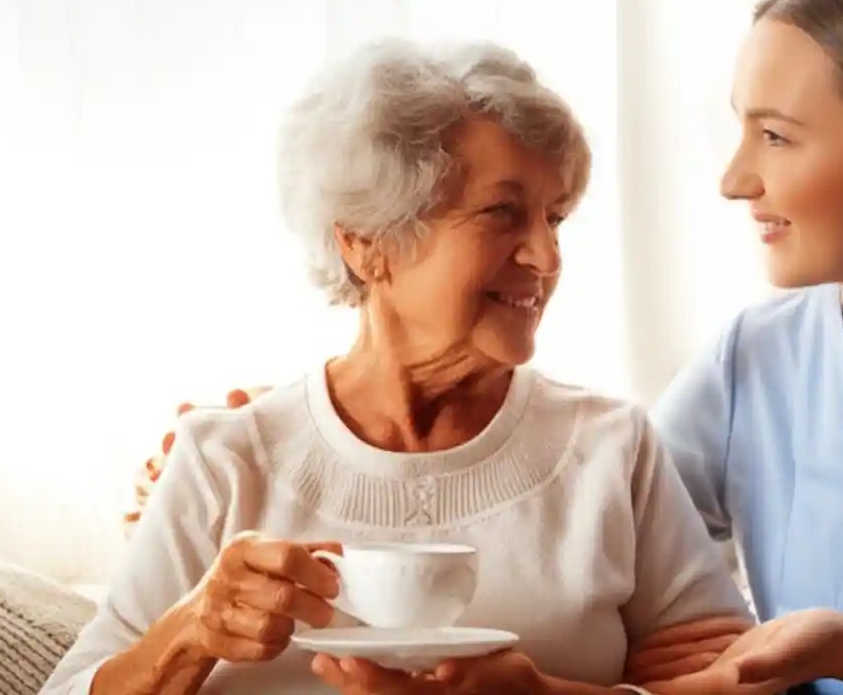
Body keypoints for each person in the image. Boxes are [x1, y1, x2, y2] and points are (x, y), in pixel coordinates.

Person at [133, 0, 843, 693]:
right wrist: (269, 460)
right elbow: (570, 507)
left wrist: (841, 651)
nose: (733, 177)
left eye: (776, 136)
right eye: (738, 128)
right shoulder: (754, 362)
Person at [42, 40, 770, 695]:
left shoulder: (611, 447)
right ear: (367, 244)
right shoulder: (224, 458)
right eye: (501, 214)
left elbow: (738, 682)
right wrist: (192, 632)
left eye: (555, 218)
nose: (546, 260)